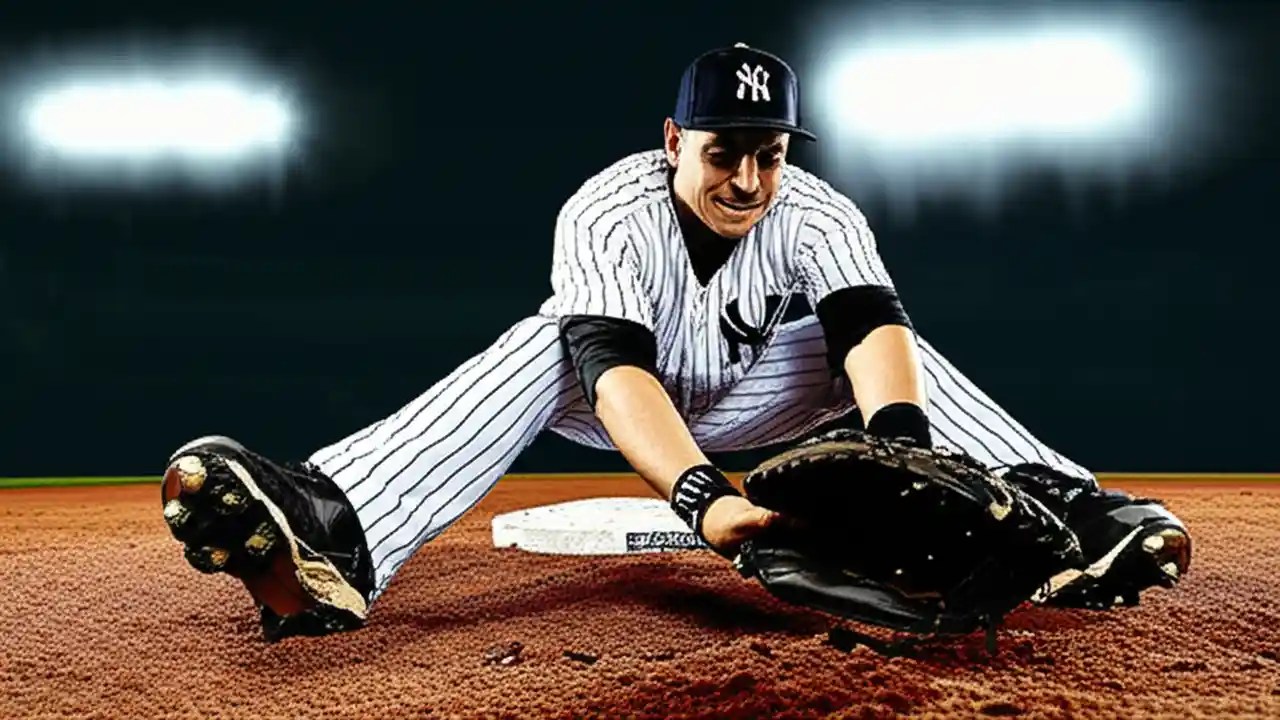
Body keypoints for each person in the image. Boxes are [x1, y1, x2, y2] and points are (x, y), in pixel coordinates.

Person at [158, 43, 1190, 642]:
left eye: (768, 154)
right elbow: (614, 373)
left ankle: (1065, 509)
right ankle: (333, 528)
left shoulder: (818, 211)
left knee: (891, 357)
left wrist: (901, 451)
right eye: (724, 152)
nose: (746, 177)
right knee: (543, 341)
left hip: (755, 391)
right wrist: (706, 500)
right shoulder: (609, 211)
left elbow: (869, 328)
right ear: (673, 142)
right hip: (611, 404)